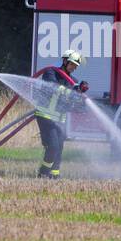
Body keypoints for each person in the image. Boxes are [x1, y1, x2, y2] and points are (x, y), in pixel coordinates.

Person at [35, 49, 89, 179]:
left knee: (59, 148)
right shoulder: (51, 72)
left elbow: (74, 100)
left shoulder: (73, 81)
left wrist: (80, 96)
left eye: (76, 66)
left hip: (60, 120)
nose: (74, 68)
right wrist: (73, 90)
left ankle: (54, 175)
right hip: (46, 116)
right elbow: (53, 87)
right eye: (72, 64)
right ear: (64, 61)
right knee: (52, 146)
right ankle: (43, 173)